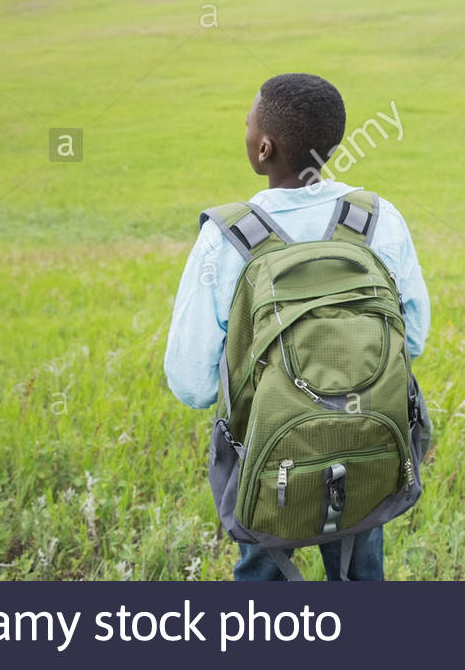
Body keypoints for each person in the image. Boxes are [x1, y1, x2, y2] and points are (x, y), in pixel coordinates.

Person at [164, 73, 430, 580]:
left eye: (248, 124)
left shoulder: (228, 239)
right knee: (362, 560)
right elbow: (411, 339)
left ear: (263, 148)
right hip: (367, 444)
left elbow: (192, 384)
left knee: (262, 571)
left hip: (267, 457)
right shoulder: (377, 219)